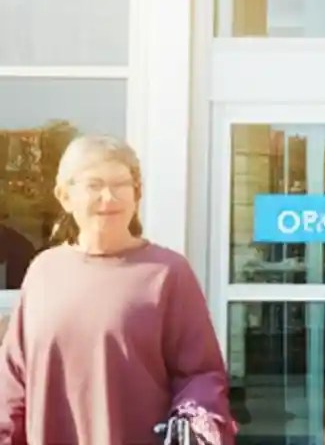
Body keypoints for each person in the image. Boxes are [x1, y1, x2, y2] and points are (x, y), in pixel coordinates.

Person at [0, 135, 235, 444]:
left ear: (137, 194)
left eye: (121, 184)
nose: (108, 197)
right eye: (94, 185)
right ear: (64, 196)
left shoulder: (167, 273)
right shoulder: (44, 271)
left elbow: (201, 374)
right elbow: (13, 379)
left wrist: (196, 425)